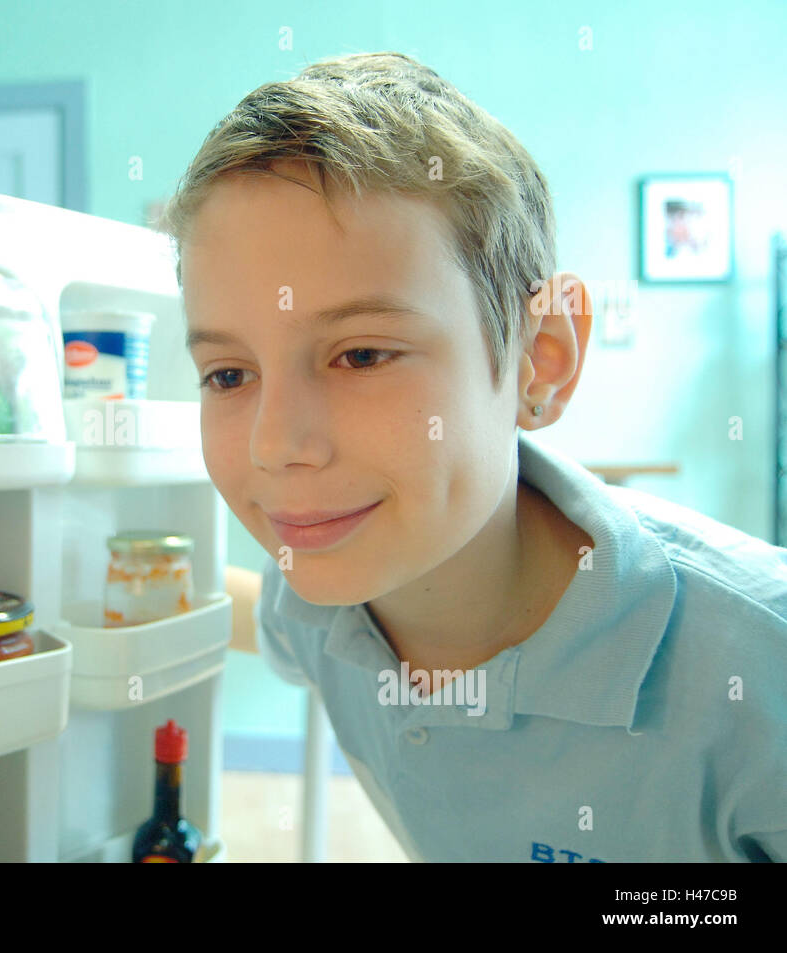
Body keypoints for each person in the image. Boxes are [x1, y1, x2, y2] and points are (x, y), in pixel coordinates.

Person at [157, 51, 786, 862]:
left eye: (361, 356)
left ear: (541, 357)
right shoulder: (324, 597)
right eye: (229, 374)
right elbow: (262, 610)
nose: (275, 445)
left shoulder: (758, 677)